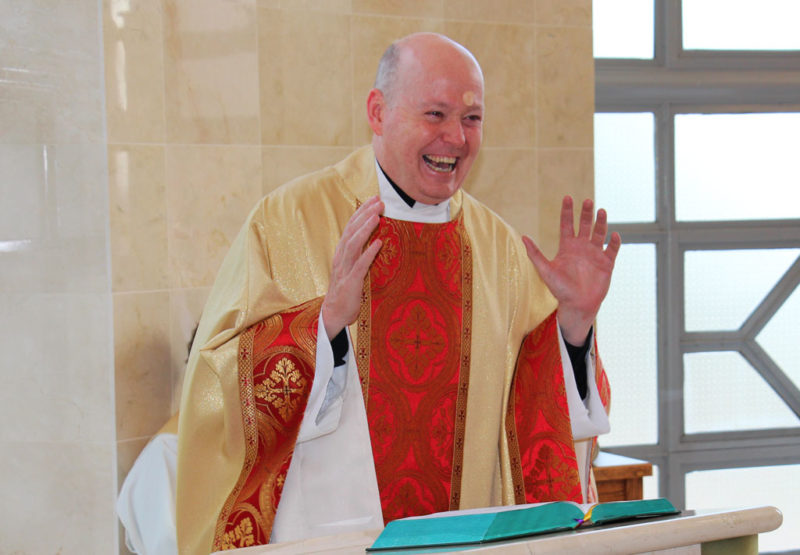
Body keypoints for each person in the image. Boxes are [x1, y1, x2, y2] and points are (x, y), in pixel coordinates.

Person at [118, 32, 620, 555]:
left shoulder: (497, 248)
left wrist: (573, 327)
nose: (456, 137)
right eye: (435, 114)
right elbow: (217, 381)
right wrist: (325, 327)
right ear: (378, 112)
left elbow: (533, 408)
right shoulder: (288, 221)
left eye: (472, 119)